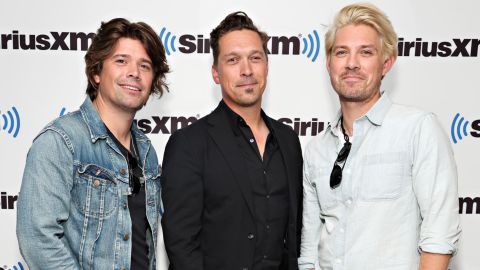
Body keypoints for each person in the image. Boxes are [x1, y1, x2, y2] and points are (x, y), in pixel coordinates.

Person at [298, 3, 461, 270]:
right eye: (342, 52)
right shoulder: (316, 149)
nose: (352, 63)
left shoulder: (418, 129)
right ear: (328, 64)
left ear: (386, 62)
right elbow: (309, 251)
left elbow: (440, 236)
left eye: (365, 52)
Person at [16, 18, 169, 270]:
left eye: (145, 65)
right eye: (121, 61)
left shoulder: (146, 151)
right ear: (96, 72)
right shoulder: (62, 141)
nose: (134, 72)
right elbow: (37, 239)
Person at [161, 11, 303, 270]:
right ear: (216, 73)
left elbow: (294, 235)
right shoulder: (189, 144)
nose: (246, 70)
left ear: (267, 66)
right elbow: (182, 245)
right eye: (233, 60)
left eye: (255, 58)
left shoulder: (289, 140)